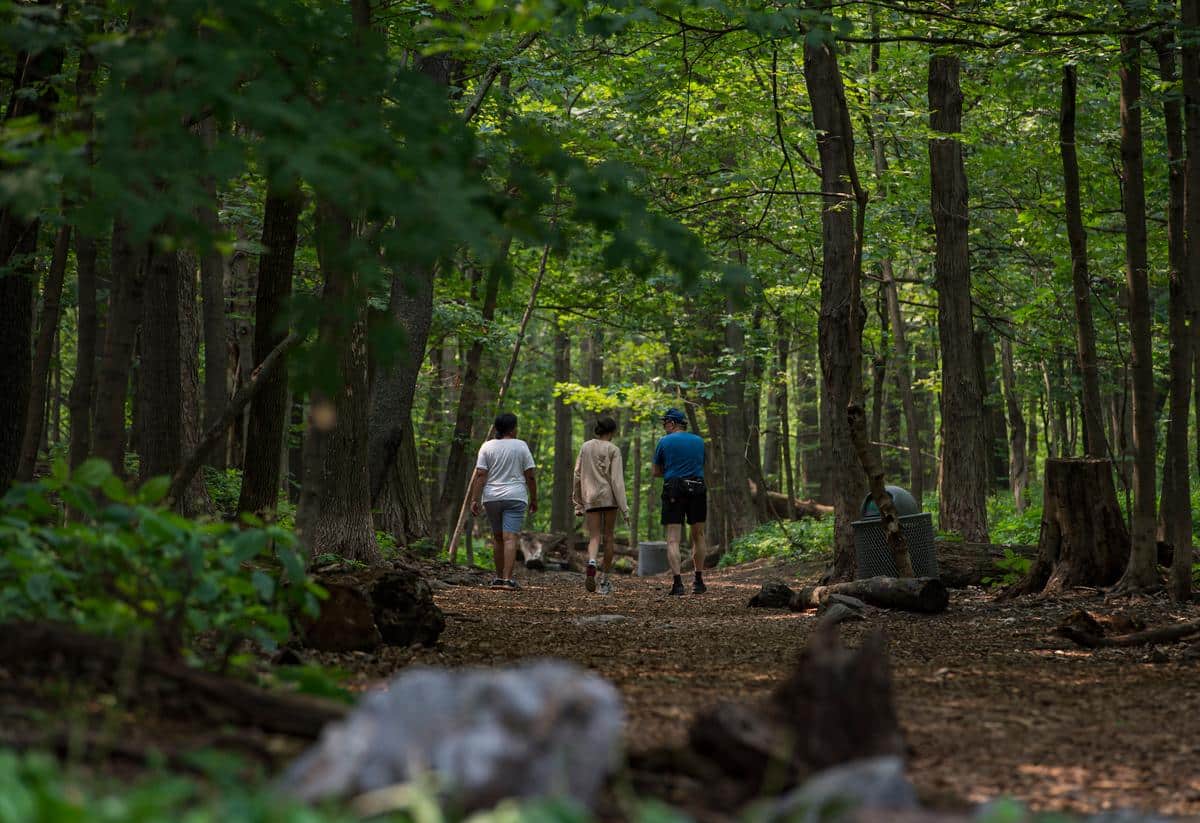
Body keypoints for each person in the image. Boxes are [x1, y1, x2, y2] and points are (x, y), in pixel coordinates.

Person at [469, 412, 538, 590]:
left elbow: (480, 475)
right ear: (513, 428)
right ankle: (507, 580)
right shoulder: (521, 446)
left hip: (491, 497)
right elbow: (530, 476)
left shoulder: (487, 446)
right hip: (515, 496)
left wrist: (474, 499)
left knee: (498, 538)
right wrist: (534, 499)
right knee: (510, 538)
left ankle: (498, 578)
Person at [652, 407, 707, 596]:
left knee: (673, 538)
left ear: (672, 422)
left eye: (665, 422)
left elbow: (655, 471)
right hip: (698, 486)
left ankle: (678, 584)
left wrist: (671, 472)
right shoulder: (699, 441)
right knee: (698, 535)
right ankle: (698, 581)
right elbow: (701, 464)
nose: (664, 426)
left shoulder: (664, 442)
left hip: (674, 488)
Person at [572, 416, 629, 595]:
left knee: (594, 537)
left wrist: (577, 503)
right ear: (612, 432)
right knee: (609, 537)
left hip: (591, 497)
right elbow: (617, 481)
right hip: (609, 498)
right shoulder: (613, 449)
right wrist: (624, 508)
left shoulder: (585, 446)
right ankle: (605, 580)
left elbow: (577, 474)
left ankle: (591, 562)